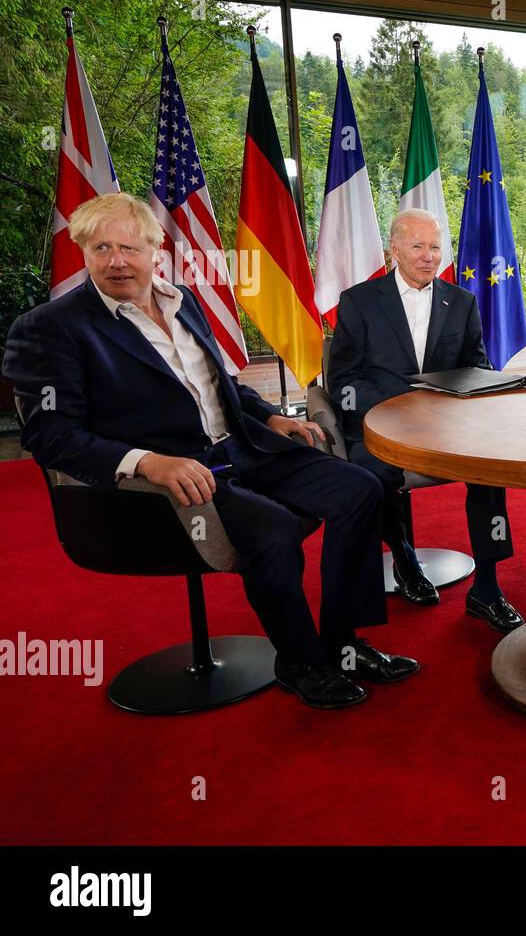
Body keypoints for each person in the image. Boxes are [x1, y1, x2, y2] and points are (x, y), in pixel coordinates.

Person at [3, 193, 418, 709]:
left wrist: (268, 414)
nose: (116, 261)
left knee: (362, 488)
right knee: (275, 530)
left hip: (243, 449)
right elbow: (49, 434)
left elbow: (217, 386)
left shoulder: (184, 302)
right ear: (84, 250)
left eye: (129, 247)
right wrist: (144, 461)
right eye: (101, 247)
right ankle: (300, 660)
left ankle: (343, 645)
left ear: (155, 249)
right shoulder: (50, 328)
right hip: (171, 479)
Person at [328, 209, 522, 633]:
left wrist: (486, 391)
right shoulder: (358, 302)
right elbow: (342, 383)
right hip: (379, 427)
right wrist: (399, 406)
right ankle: (404, 559)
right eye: (417, 246)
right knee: (375, 474)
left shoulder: (462, 303)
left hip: (448, 427)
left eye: (435, 247)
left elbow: (477, 366)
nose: (428, 256)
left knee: (490, 469)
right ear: (394, 249)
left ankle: (487, 589)